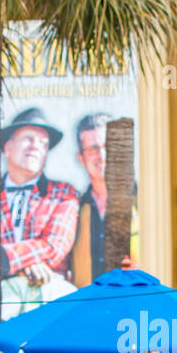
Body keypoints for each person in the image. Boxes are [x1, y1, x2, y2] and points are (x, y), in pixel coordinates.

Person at [0, 107, 80, 309]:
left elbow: (54, 246)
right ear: (7, 148)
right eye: (28, 139)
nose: (35, 147)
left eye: (43, 144)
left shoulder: (63, 194)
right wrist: (27, 264)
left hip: (48, 304)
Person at [71, 114, 139, 287]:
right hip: (89, 302)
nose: (102, 155)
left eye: (108, 146)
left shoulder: (144, 201)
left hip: (138, 301)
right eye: (92, 149)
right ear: (81, 158)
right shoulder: (73, 207)